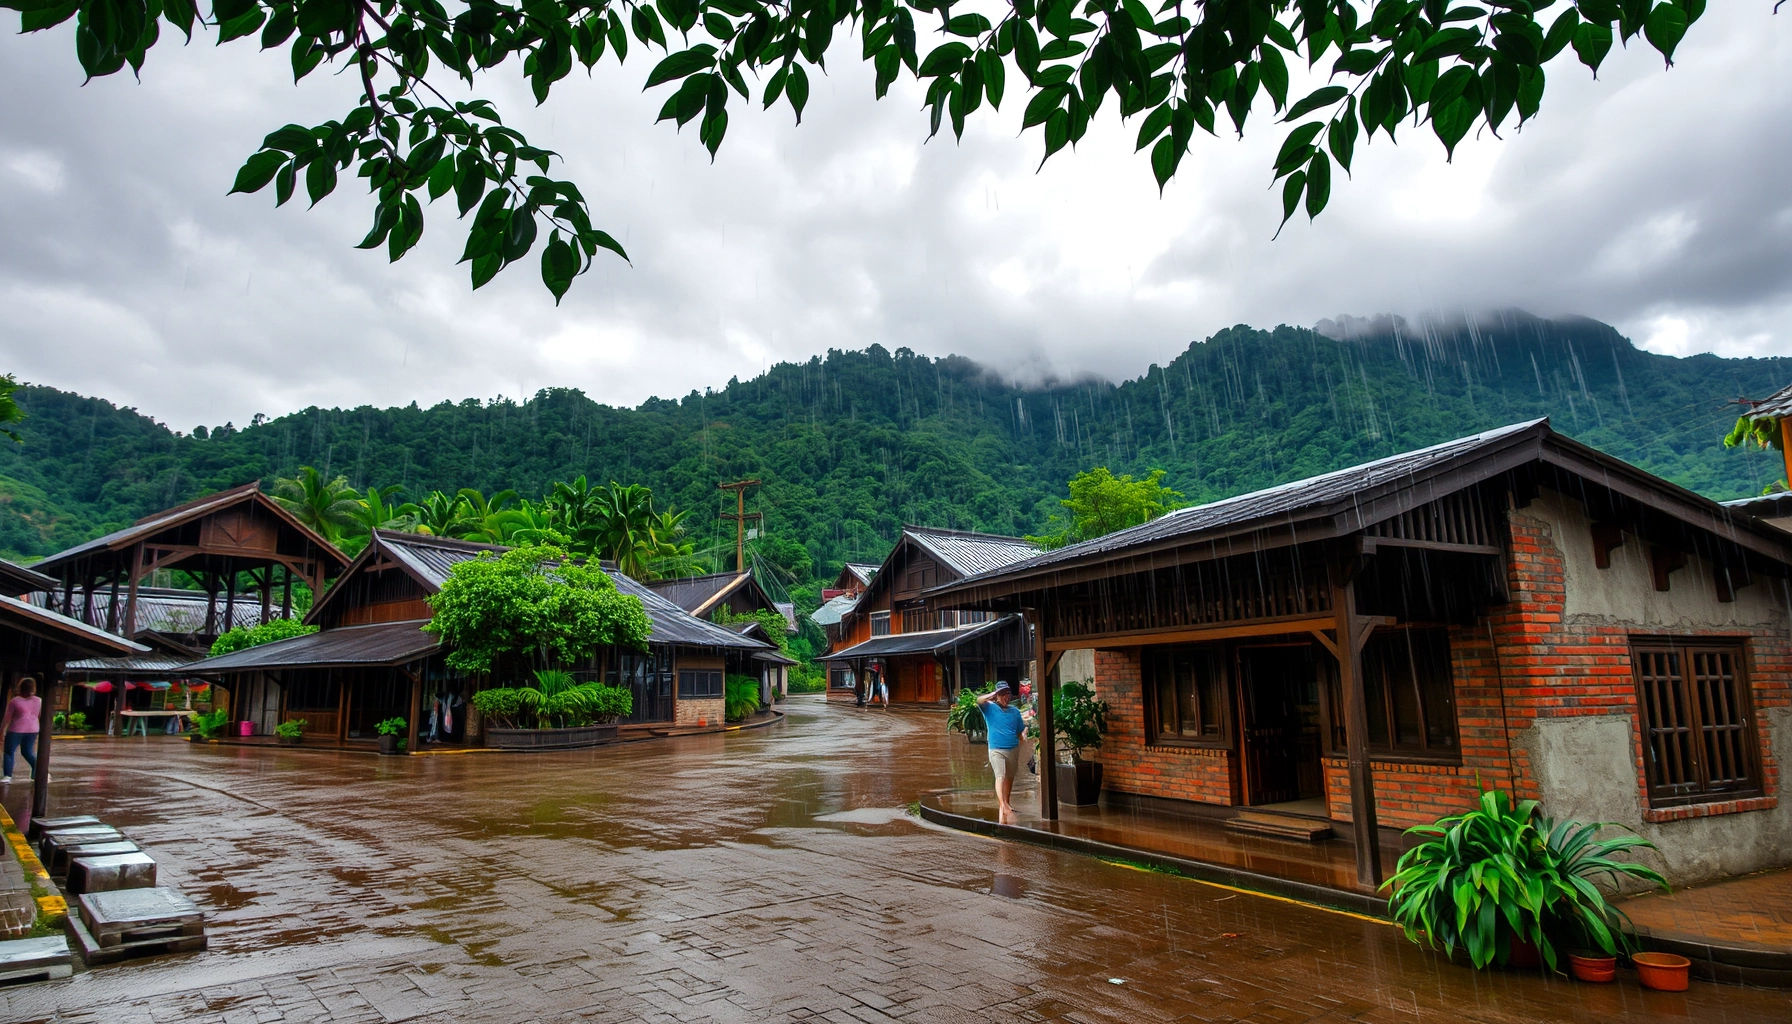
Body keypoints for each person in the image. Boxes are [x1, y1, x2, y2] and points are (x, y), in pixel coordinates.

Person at [977, 682, 1028, 824]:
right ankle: (1003, 805)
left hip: (1012, 748)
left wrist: (1024, 734)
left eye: (1008, 694)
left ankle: (1006, 803)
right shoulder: (989, 708)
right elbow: (978, 700)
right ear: (997, 696)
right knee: (1000, 775)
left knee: (1009, 778)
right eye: (1003, 694)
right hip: (996, 749)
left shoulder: (1015, 712)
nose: (1006, 697)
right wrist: (992, 695)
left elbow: (1020, 730)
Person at [1, 678, 41, 784]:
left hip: (16, 729)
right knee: (27, 752)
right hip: (33, 729)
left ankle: (8, 775)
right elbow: (40, 715)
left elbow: (7, 717)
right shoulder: (38, 700)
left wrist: (1, 730)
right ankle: (37, 771)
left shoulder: (15, 701)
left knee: (9, 752)